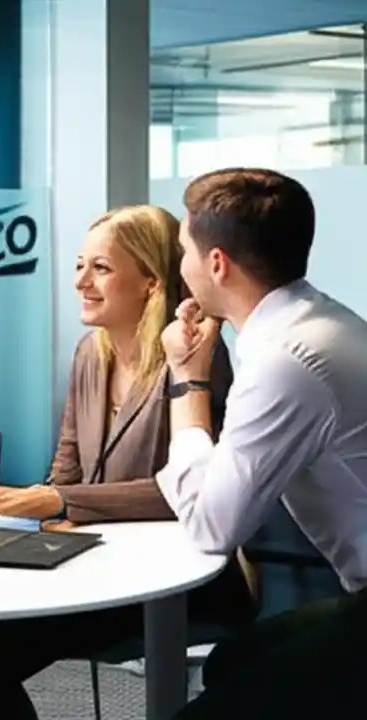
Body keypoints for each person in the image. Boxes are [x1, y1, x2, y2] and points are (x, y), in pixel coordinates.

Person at [0, 204, 255, 720]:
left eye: (101, 268)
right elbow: (65, 473)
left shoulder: (196, 357)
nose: (81, 282)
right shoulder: (89, 356)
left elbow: (192, 492)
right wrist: (21, 513)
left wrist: (54, 500)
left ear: (151, 283)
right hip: (94, 559)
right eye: (79, 265)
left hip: (178, 578)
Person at [152, 169, 367, 719]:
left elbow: (210, 528)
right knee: (233, 663)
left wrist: (188, 381)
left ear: (217, 263)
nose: (181, 267)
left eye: (185, 252)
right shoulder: (323, 321)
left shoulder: (284, 362)